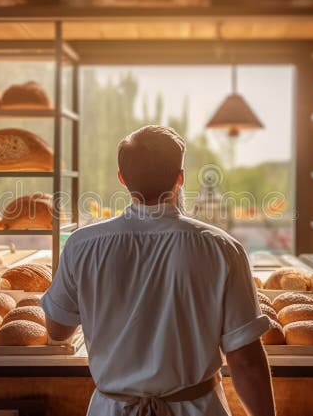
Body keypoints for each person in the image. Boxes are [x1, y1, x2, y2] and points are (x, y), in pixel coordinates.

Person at [41, 125, 275, 416]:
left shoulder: (81, 245)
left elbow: (58, 330)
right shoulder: (222, 248)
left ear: (122, 179)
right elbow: (246, 362)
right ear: (180, 178)